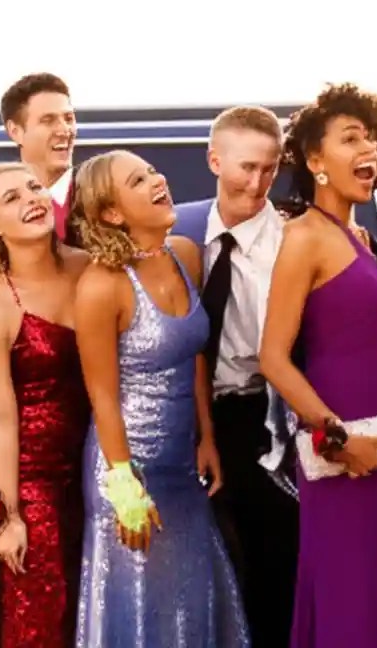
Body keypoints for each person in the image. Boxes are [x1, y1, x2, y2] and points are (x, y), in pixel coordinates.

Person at [71, 150, 249, 647]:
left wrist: (207, 434)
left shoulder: (184, 253)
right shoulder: (102, 286)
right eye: (137, 180)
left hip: (181, 465)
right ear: (111, 212)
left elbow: (193, 353)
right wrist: (124, 488)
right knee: (142, 605)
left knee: (192, 598)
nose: (157, 180)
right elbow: (102, 395)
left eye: (151, 171)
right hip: (126, 468)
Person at [258, 82, 377, 648]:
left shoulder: (361, 238)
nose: (369, 149)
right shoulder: (303, 237)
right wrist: (338, 438)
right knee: (349, 592)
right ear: (316, 161)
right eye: (351, 139)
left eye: (371, 138)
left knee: (375, 592)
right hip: (339, 450)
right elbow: (273, 357)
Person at [170, 105, 299, 645]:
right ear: (214, 160)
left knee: (270, 562)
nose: (258, 181)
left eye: (269, 168)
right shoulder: (177, 231)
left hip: (263, 415)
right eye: (246, 167)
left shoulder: (293, 241)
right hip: (184, 418)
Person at [0, 162, 91, 647]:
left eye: (34, 187)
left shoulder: (91, 268)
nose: (31, 199)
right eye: (11, 198)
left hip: (101, 466)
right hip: (37, 486)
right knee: (41, 621)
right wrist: (10, 516)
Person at [0, 73, 79, 246]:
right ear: (15, 132)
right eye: (48, 121)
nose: (64, 130)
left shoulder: (100, 192)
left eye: (69, 119)